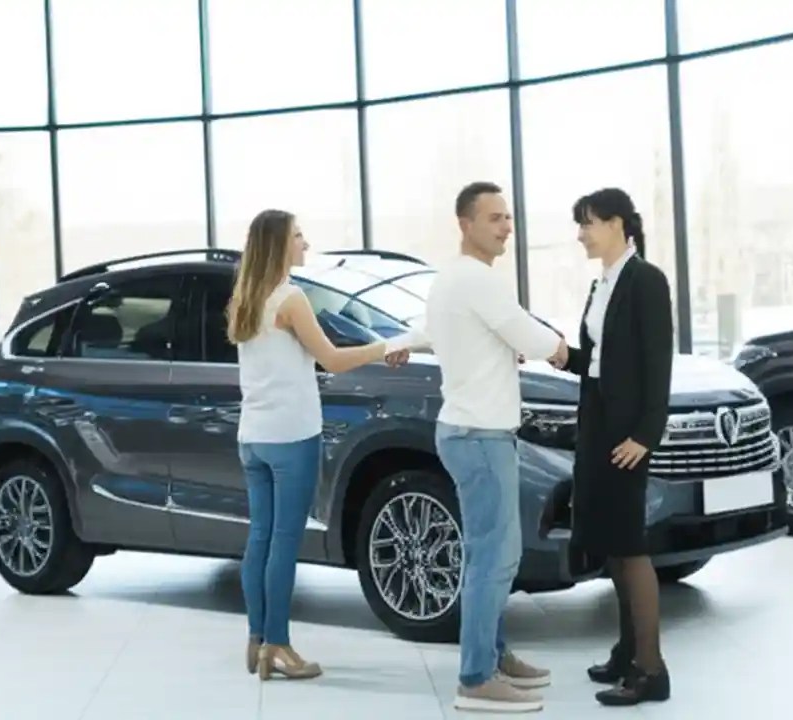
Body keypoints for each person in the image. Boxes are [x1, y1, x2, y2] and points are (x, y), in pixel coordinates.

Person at [384, 181, 565, 713]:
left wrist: (405, 343)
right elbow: (524, 333)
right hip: (481, 435)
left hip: (472, 431)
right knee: (495, 556)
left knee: (488, 554)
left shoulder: (452, 280)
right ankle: (476, 678)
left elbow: (441, 331)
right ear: (465, 225)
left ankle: (493, 654)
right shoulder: (476, 281)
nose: (506, 226)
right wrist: (562, 351)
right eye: (494, 218)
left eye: (507, 217)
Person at [227, 209, 393, 679]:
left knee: (259, 537)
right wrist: (387, 346)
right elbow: (334, 360)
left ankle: (257, 638)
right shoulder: (290, 298)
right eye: (298, 236)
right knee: (283, 541)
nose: (305, 243)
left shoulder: (245, 297)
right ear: (279, 244)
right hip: (290, 435)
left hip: (253, 437)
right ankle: (278, 646)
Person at [547, 188, 673, 707]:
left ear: (618, 224)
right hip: (598, 421)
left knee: (629, 544)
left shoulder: (645, 281)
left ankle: (651, 669)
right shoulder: (604, 282)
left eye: (588, 224)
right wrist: (564, 356)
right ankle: (627, 652)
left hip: (626, 433)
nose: (581, 234)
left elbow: (656, 364)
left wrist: (645, 435)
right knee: (608, 540)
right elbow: (602, 362)